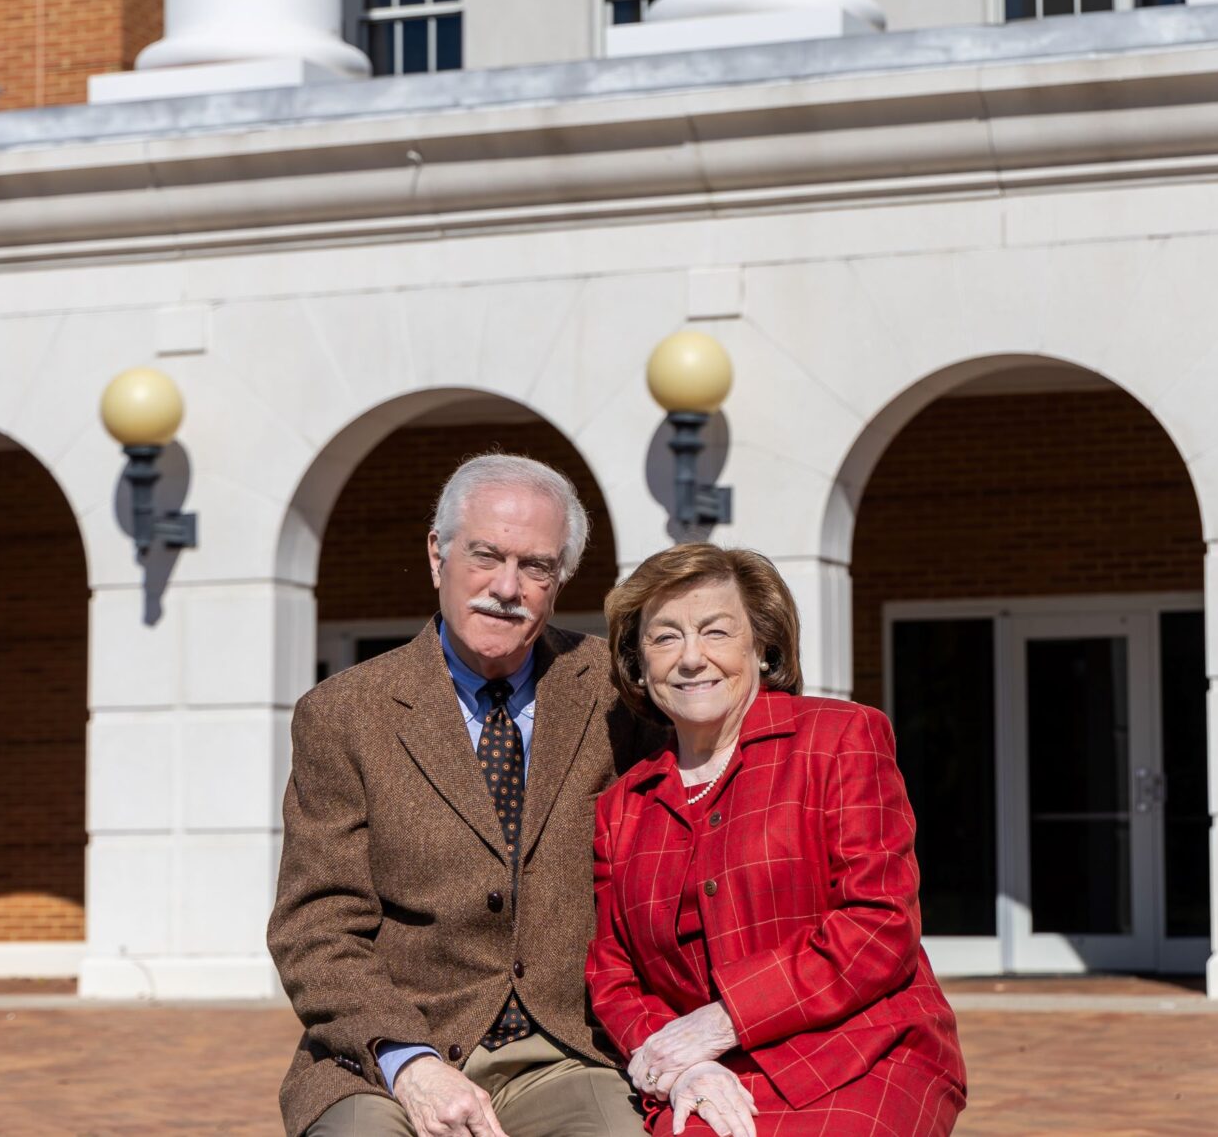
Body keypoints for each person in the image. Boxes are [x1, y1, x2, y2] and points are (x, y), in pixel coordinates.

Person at [270, 454, 660, 1137]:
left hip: (567, 1050)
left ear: (558, 578)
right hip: (385, 1055)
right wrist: (410, 1061)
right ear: (437, 554)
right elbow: (316, 927)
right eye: (485, 555)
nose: (506, 587)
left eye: (535, 566)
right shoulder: (343, 713)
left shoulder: (616, 690)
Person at [588, 545, 966, 1137]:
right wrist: (674, 1063)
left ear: (762, 646)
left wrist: (721, 1021)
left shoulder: (841, 737)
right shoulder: (622, 807)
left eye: (716, 631)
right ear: (638, 665)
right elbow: (612, 974)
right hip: (709, 1072)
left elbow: (880, 922)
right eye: (664, 639)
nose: (691, 658)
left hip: (862, 1051)